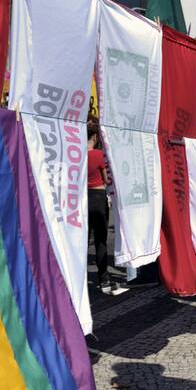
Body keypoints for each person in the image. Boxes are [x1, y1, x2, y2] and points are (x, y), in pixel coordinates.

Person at [86, 123, 125, 297]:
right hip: (99, 198)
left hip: (83, 199)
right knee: (101, 240)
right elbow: (106, 179)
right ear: (95, 137)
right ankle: (104, 280)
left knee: (83, 242)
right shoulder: (98, 155)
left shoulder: (77, 155)